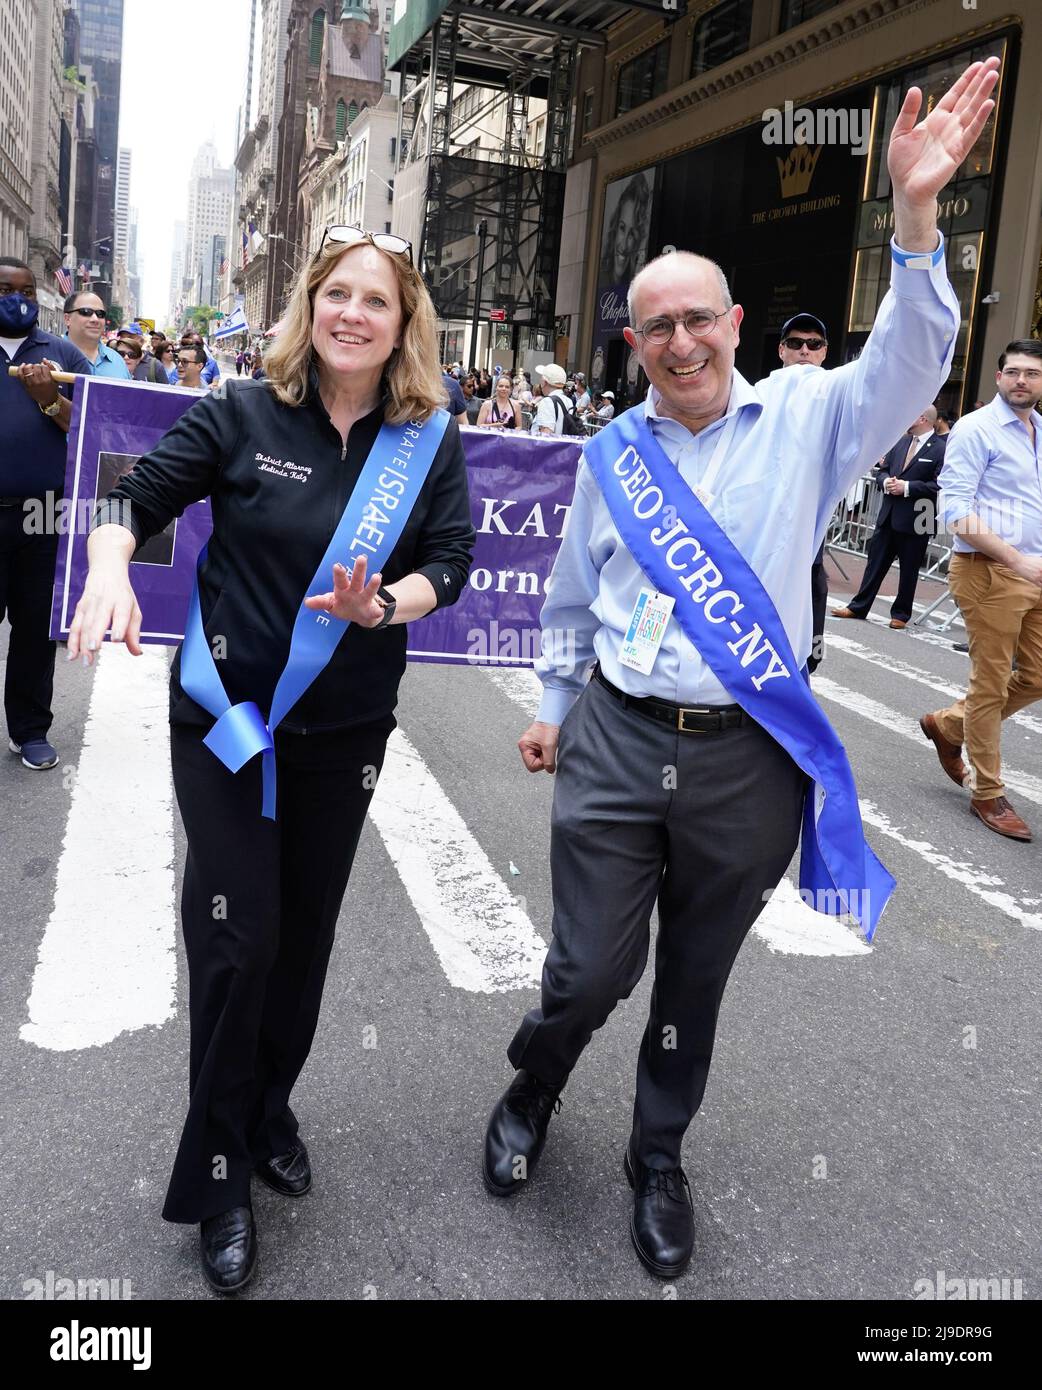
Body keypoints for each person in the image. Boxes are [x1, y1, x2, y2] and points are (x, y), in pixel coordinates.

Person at [482, 56, 994, 1280]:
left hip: (745, 759)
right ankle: (534, 1082)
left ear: (733, 327)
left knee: (693, 979)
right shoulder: (609, 456)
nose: (676, 340)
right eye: (652, 324)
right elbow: (566, 603)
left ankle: (656, 1157)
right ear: (634, 341)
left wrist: (915, 217)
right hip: (614, 737)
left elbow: (916, 359)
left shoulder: (815, 416)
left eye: (695, 318)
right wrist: (556, 709)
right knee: (587, 966)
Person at [68, 224, 475, 1294]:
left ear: (402, 324)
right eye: (336, 293)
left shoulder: (428, 437)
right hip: (228, 722)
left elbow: (454, 563)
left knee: (300, 944)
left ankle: (266, 1106)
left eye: (374, 301)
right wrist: (110, 567)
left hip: (345, 732)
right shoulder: (244, 412)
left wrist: (385, 602)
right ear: (310, 304)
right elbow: (129, 504)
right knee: (237, 941)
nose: (352, 313)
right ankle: (218, 1173)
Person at [920, 339, 1042, 842]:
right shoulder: (975, 430)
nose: (1022, 381)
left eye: (1032, 373)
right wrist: (1016, 560)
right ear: (997, 377)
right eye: (1013, 371)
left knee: (1037, 676)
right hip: (992, 570)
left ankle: (949, 725)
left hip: (1034, 573)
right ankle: (987, 793)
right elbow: (955, 512)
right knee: (990, 683)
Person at [0, 255, 92, 771]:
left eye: (27, 290)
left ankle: (30, 730)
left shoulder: (61, 356)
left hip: (43, 514)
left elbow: (91, 430)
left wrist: (49, 399)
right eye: (5, 289)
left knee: (36, 629)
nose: (17, 298)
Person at [832, 406, 946, 629]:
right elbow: (883, 470)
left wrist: (907, 487)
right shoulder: (901, 441)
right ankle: (858, 607)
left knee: (909, 569)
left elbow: (939, 484)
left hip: (917, 519)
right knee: (874, 564)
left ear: (922, 418)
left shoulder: (941, 449)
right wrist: (885, 482)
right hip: (889, 514)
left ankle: (901, 614)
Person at [765, 314, 831, 669]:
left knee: (805, 657)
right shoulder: (757, 396)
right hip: (761, 541)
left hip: (808, 551)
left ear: (823, 352)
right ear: (781, 350)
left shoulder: (836, 400)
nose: (804, 350)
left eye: (813, 344)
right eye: (795, 343)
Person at [63, 290, 131, 379]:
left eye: (100, 314)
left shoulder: (118, 361)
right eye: (86, 312)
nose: (95, 319)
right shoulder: (51, 356)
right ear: (67, 319)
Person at [530, 362, 573, 436]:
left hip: (549, 446)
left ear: (544, 382)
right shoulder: (568, 401)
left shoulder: (547, 402)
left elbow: (545, 433)